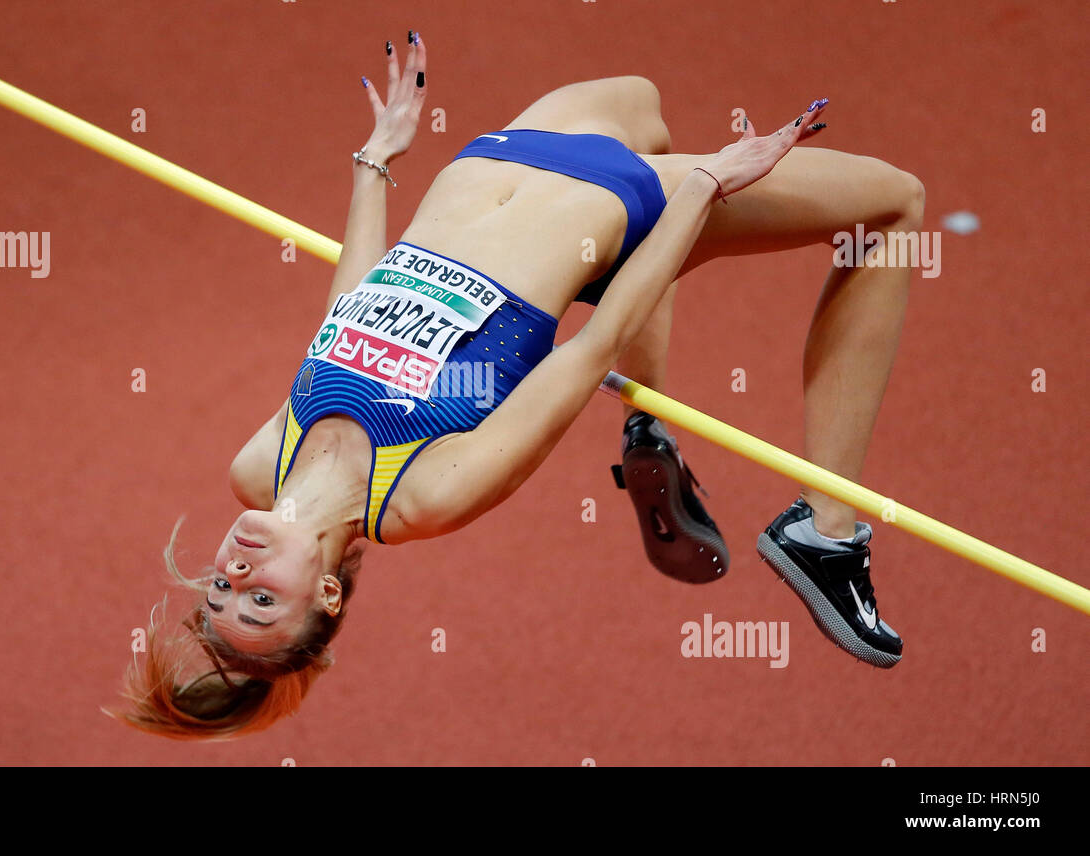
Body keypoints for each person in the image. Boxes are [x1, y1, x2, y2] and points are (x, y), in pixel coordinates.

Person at [117, 31, 924, 741]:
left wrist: (376, 163)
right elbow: (586, 352)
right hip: (610, 209)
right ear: (327, 594)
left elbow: (348, 313)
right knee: (893, 204)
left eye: (222, 587)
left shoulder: (259, 468)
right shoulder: (418, 498)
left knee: (642, 101)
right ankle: (829, 530)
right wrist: (704, 187)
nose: (238, 571)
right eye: (262, 602)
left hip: (498, 159)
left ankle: (648, 432)